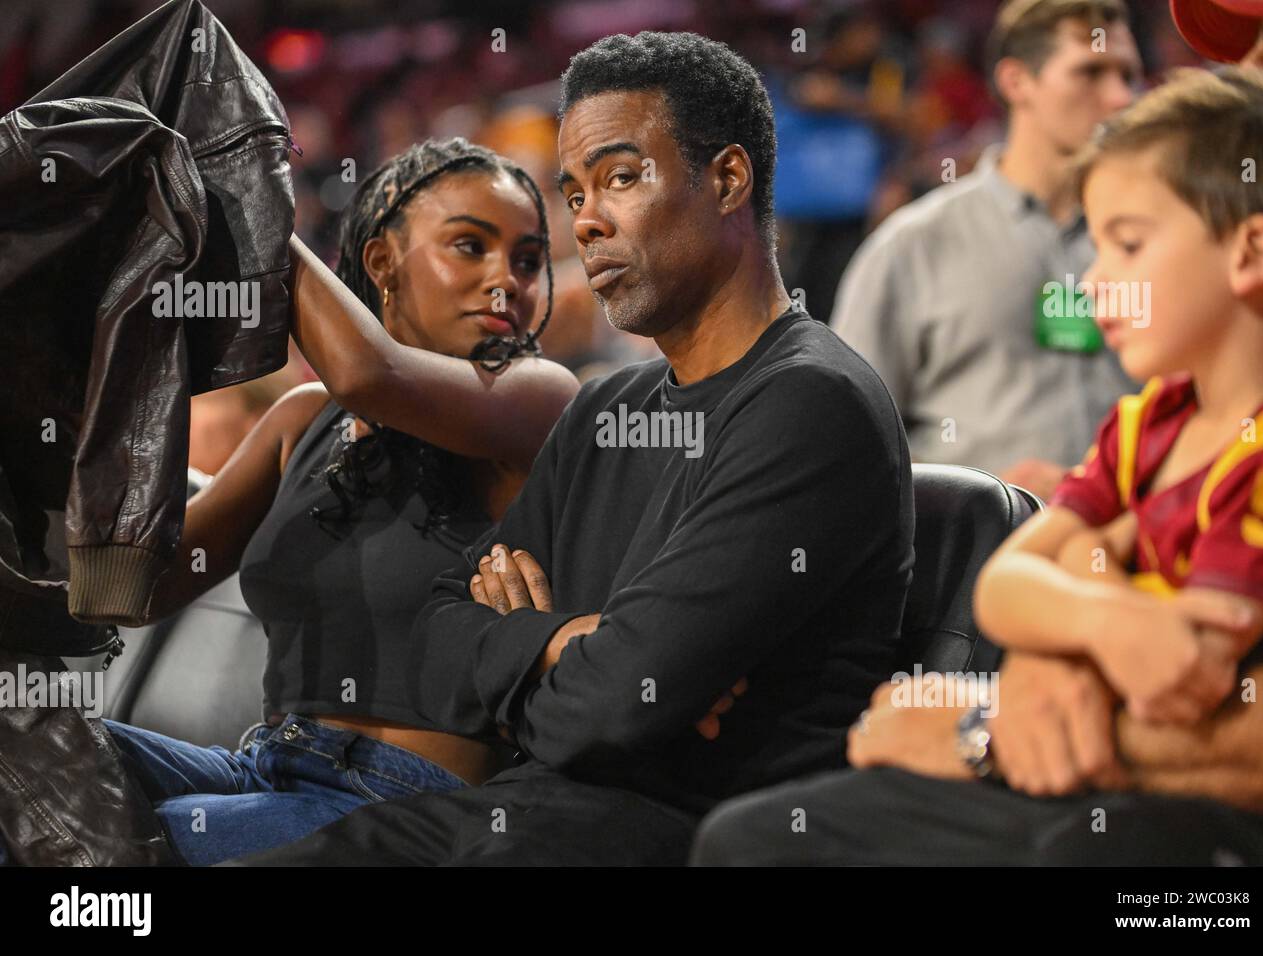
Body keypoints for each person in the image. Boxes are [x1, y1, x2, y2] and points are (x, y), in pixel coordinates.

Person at [226, 30, 913, 868]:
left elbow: (620, 706)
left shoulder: (809, 403)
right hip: (507, 818)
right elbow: (439, 644)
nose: (585, 221)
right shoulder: (606, 408)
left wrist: (537, 652)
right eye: (574, 190)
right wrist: (565, 646)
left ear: (728, 179)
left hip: (663, 839)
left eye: (621, 178)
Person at [691, 66, 1263, 866]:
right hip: (1093, 758)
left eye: (1127, 243)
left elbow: (1189, 672)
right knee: (749, 839)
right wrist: (1102, 616)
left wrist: (1049, 650)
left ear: (1252, 251)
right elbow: (1006, 587)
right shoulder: (1149, 420)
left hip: (1202, 814)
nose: (1091, 282)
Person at [96, 138, 580, 866]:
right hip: (263, 767)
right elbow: (134, 590)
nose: (504, 280)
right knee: (26, 746)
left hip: (404, 803)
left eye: (527, 259)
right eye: (470, 247)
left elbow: (367, 373)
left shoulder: (539, 396)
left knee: (135, 843)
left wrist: (236, 192)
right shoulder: (303, 418)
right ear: (383, 264)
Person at [830, 0, 1141, 500]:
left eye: (1129, 76)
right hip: (967, 566)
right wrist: (979, 502)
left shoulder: (1159, 243)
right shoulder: (914, 244)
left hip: (1132, 558)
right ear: (1017, 81)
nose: (1120, 98)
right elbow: (844, 443)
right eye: (1091, 72)